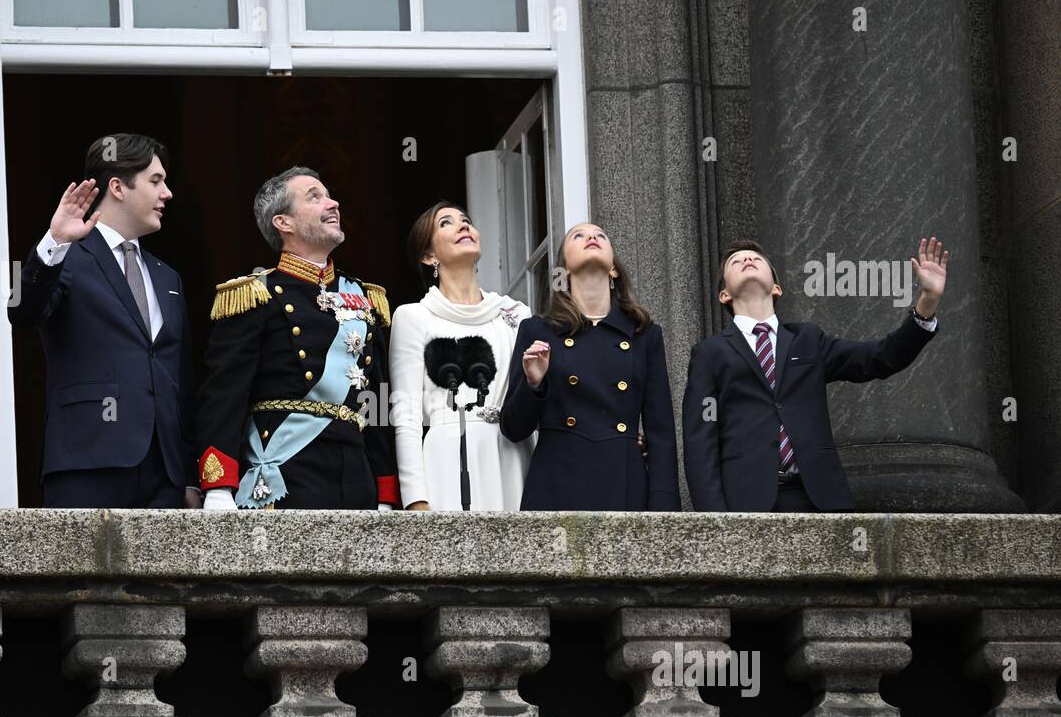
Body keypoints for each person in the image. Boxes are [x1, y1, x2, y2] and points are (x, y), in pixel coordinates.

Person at [681, 238, 944, 512]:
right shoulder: (710, 353)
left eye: (757, 259)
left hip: (818, 498)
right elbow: (700, 440)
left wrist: (928, 302)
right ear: (724, 294)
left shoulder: (807, 340)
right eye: (737, 262)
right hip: (745, 501)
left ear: (776, 287)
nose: (748, 260)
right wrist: (714, 521)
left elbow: (879, 357)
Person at [9, 134, 199, 509]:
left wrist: (190, 475)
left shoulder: (168, 277)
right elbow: (21, 312)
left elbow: (182, 382)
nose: (168, 194)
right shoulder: (62, 254)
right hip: (88, 461)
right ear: (118, 187)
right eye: (156, 181)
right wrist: (54, 241)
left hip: (166, 473)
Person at [195, 166, 397, 510]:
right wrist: (218, 486)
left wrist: (386, 493)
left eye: (329, 195)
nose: (332, 203)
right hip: (285, 477)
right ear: (283, 222)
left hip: (356, 481)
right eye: (314, 197)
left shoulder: (363, 298)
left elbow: (376, 401)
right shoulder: (256, 295)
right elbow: (224, 394)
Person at [500, 223, 680, 511]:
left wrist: (664, 509)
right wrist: (534, 384)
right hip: (556, 481)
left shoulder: (644, 334)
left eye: (600, 236)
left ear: (614, 271)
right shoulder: (538, 329)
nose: (592, 238)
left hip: (624, 480)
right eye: (578, 236)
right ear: (564, 269)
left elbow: (661, 431)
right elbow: (513, 428)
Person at [389, 201, 533, 511]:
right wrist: (416, 499)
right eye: (446, 223)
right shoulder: (413, 317)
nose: (463, 225)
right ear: (429, 256)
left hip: (513, 453)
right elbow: (407, 414)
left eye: (466, 220)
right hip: (445, 459)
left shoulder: (517, 314)